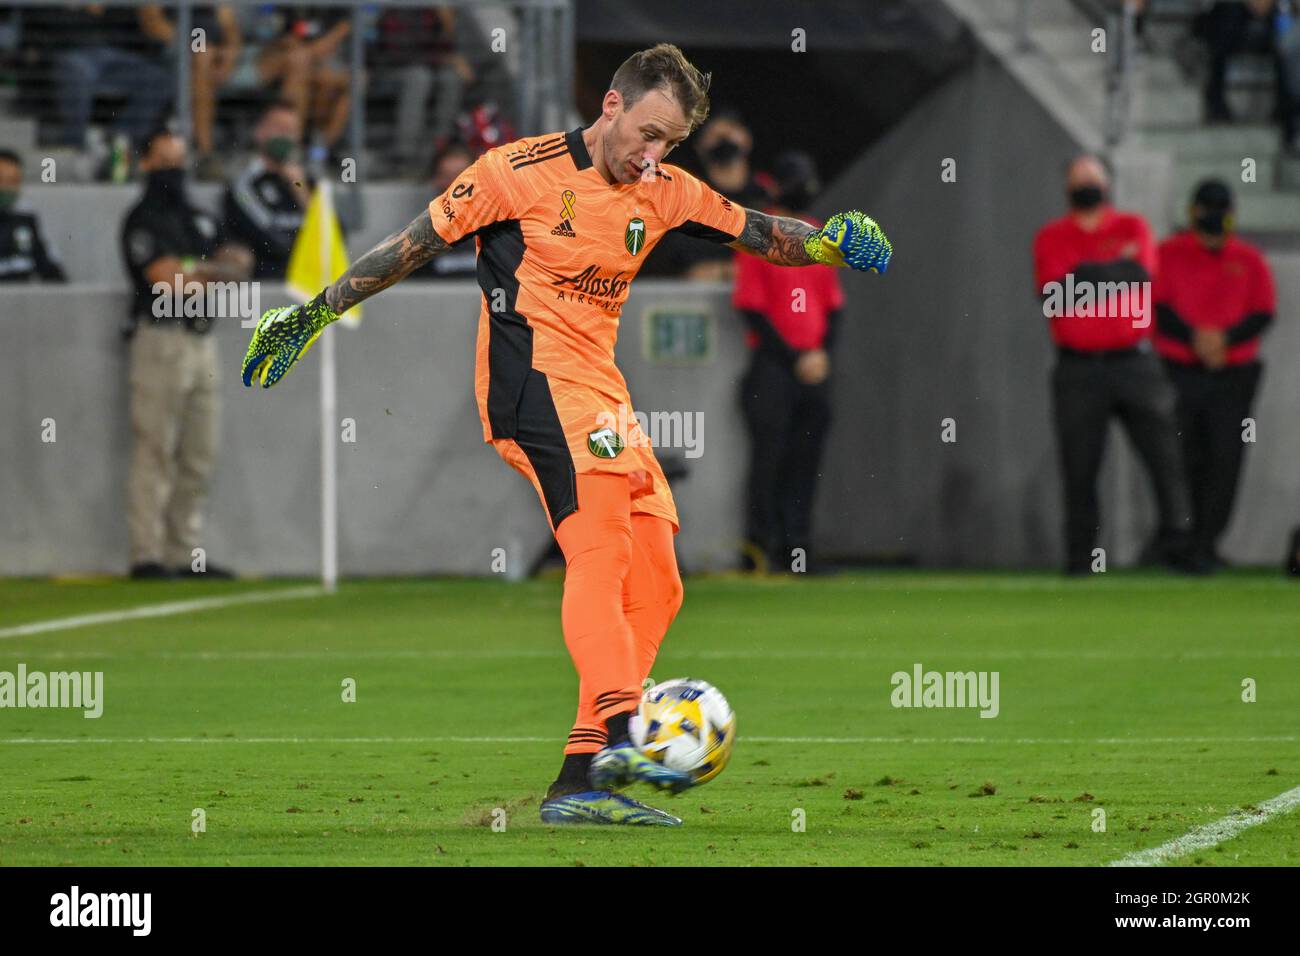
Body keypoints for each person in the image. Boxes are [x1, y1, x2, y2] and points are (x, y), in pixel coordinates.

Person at [240, 43, 891, 825]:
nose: (654, 156)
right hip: (532, 386)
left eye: (671, 144)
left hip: (604, 394)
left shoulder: (666, 190)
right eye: (648, 134)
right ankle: (625, 726)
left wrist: (824, 243)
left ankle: (582, 780)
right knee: (601, 546)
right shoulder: (515, 171)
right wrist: (314, 312)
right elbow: (410, 245)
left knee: (658, 579)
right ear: (611, 105)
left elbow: (755, 230)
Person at [1032, 155, 1196, 575]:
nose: (1086, 184)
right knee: (1080, 465)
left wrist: (1083, 277)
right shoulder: (1052, 236)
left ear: (1108, 184)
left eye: (1093, 178)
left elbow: (1140, 275)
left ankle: (1181, 546)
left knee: (1165, 456)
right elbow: (1052, 296)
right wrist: (1113, 274)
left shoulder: (1132, 227)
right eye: (1078, 178)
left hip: (1134, 362)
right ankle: (1081, 558)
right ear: (1066, 187)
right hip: (1078, 368)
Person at [121, 129, 252, 580]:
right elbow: (167, 282)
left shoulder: (195, 215)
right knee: (155, 449)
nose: (174, 171)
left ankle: (184, 552)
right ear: (146, 165)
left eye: (179, 161)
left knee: (199, 452)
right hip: (161, 340)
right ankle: (147, 554)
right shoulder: (142, 220)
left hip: (201, 341)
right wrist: (211, 270)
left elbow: (239, 261)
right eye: (165, 162)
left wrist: (202, 270)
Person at [1155, 179, 1276, 568]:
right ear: (1192, 212)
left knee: (1226, 458)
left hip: (1233, 374)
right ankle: (1183, 541)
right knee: (1182, 455)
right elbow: (1157, 307)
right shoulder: (1168, 254)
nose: (1215, 217)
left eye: (1222, 210)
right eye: (1208, 209)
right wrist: (1196, 339)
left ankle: (1207, 541)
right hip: (1180, 370)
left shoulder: (1248, 258)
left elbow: (1262, 313)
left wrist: (1222, 340)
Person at [733, 151, 843, 574]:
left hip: (811, 367)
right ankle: (762, 548)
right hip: (774, 367)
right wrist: (796, 357)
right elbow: (752, 310)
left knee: (805, 461)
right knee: (770, 459)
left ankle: (798, 549)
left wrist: (821, 355)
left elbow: (834, 308)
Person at [138, 5, 242, 180]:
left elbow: (229, 27)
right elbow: (153, 22)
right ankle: (205, 152)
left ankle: (203, 151)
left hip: (208, 46)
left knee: (205, 54)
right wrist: (185, 40)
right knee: (203, 55)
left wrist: (229, 56)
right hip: (174, 47)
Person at [222, 101, 310, 278]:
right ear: (259, 132)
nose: (284, 136)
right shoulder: (244, 186)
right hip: (272, 280)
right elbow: (270, 240)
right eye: (278, 127)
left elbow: (337, 233)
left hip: (313, 277)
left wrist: (302, 192)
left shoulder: (308, 181)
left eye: (291, 131)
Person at [256, 6, 352, 153]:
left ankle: (321, 150)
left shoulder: (340, 9)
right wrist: (303, 54)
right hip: (293, 64)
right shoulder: (290, 8)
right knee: (298, 67)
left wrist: (307, 54)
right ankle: (293, 147)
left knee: (340, 83)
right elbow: (283, 38)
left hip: (329, 63)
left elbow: (338, 34)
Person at [410, 143, 477, 280]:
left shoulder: (502, 238)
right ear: (435, 180)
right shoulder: (417, 243)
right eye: (446, 176)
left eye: (461, 176)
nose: (453, 185)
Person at [0, 150, 67, 283]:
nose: (6, 187)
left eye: (13, 181)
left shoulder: (27, 222)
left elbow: (51, 272)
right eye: (1, 180)